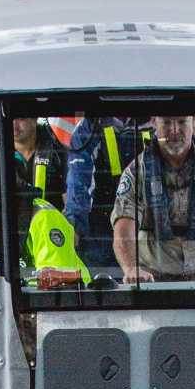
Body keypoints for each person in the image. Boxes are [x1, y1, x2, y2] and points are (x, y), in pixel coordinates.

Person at [111, 112, 195, 285]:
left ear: (193, 122)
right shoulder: (136, 172)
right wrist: (132, 269)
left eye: (182, 121)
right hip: (154, 282)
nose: (175, 130)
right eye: (167, 122)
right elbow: (123, 229)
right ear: (154, 122)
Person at [0, 110, 89, 285]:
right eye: (10, 120)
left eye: (21, 118)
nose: (14, 126)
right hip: (16, 237)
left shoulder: (58, 152)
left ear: (35, 118)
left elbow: (71, 197)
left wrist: (71, 230)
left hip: (52, 232)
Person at [62, 110, 144, 275]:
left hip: (148, 233)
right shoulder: (89, 128)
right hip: (100, 230)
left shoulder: (159, 123)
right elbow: (79, 182)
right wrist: (75, 226)